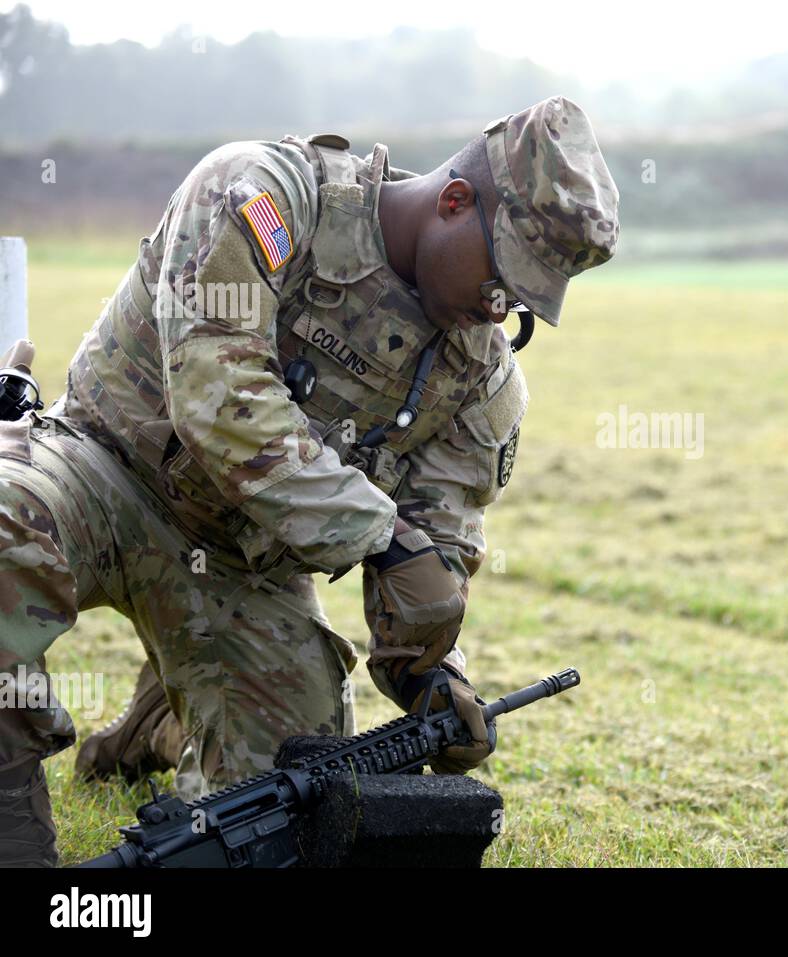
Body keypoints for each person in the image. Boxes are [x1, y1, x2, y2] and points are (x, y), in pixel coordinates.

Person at [0, 95, 620, 866]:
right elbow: (221, 399)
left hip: (240, 571)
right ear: (455, 202)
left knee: (292, 801)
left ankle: (167, 716)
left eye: (520, 304)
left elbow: (434, 553)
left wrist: (434, 675)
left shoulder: (479, 378)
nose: (496, 312)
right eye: (500, 281)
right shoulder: (263, 194)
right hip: (99, 468)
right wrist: (380, 532)